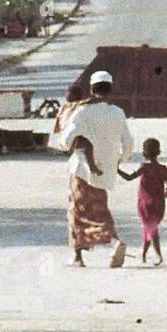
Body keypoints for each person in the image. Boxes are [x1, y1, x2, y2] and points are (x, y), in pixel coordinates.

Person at [55, 71, 135, 267]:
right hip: (105, 172)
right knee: (99, 208)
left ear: (92, 89)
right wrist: (117, 160)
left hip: (82, 169)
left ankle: (83, 255)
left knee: (77, 210)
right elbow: (129, 144)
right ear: (110, 89)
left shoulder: (83, 111)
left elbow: (66, 140)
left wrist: (63, 145)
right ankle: (107, 244)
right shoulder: (118, 113)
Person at [119, 137, 167, 265]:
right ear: (159, 152)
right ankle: (144, 255)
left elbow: (128, 177)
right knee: (150, 228)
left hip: (145, 205)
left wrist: (116, 170)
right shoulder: (163, 169)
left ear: (144, 153)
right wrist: (166, 194)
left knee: (150, 229)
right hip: (159, 205)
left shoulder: (144, 167)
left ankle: (159, 256)